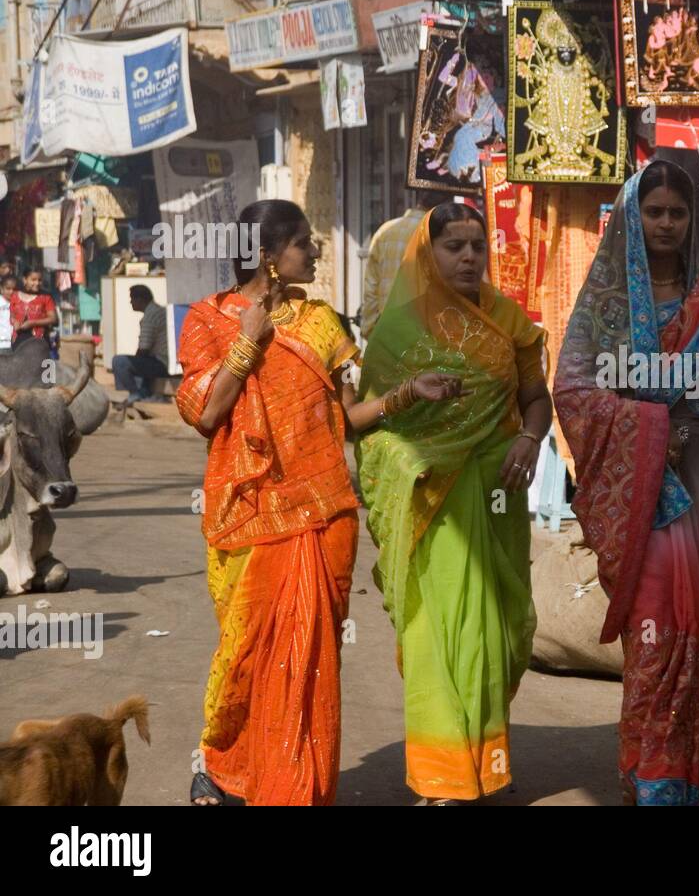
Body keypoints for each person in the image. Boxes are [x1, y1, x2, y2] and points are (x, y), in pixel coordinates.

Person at [176, 199, 461, 806]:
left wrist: (409, 394)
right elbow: (205, 412)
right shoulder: (208, 320)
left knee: (310, 661)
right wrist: (249, 343)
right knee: (248, 655)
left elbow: (349, 419)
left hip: (326, 511)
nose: (317, 251)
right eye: (305, 242)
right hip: (249, 514)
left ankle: (295, 787)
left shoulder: (323, 323)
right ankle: (224, 766)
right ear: (269, 257)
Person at [554, 160, 699, 806]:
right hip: (639, 479)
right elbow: (571, 388)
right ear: (632, 218)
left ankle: (676, 771)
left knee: (688, 621)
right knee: (651, 625)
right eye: (655, 212)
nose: (667, 223)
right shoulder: (605, 304)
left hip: (695, 475)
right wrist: (645, 427)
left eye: (678, 212)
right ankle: (649, 769)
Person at [357, 201, 551, 804]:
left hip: (497, 492)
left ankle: (486, 765)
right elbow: (361, 424)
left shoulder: (509, 320)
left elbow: (537, 399)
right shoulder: (397, 331)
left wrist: (529, 437)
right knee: (437, 632)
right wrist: (409, 398)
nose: (468, 257)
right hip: (431, 498)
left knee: (493, 628)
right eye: (454, 247)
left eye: (477, 247)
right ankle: (443, 777)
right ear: (428, 253)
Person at [360, 190, 443, 341]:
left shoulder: (385, 231)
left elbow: (371, 288)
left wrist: (369, 331)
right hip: (426, 336)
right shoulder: (438, 234)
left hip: (389, 333)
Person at [111, 284, 170, 404]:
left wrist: (132, 364)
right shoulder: (157, 310)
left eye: (132, 298)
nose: (130, 302)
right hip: (164, 361)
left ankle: (134, 394)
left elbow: (144, 349)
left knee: (119, 362)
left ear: (140, 299)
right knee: (133, 363)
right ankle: (142, 392)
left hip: (162, 363)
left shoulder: (150, 315)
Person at [11, 267, 57, 353]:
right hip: (18, 342)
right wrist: (15, 322)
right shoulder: (15, 296)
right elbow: (12, 314)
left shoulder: (46, 297)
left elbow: (53, 319)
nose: (37, 283)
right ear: (25, 280)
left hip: (38, 342)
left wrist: (32, 323)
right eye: (33, 280)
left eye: (39, 280)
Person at [0, 275, 16, 352]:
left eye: (14, 289)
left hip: (14, 344)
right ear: (1, 289)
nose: (11, 292)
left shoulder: (18, 304)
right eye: (8, 289)